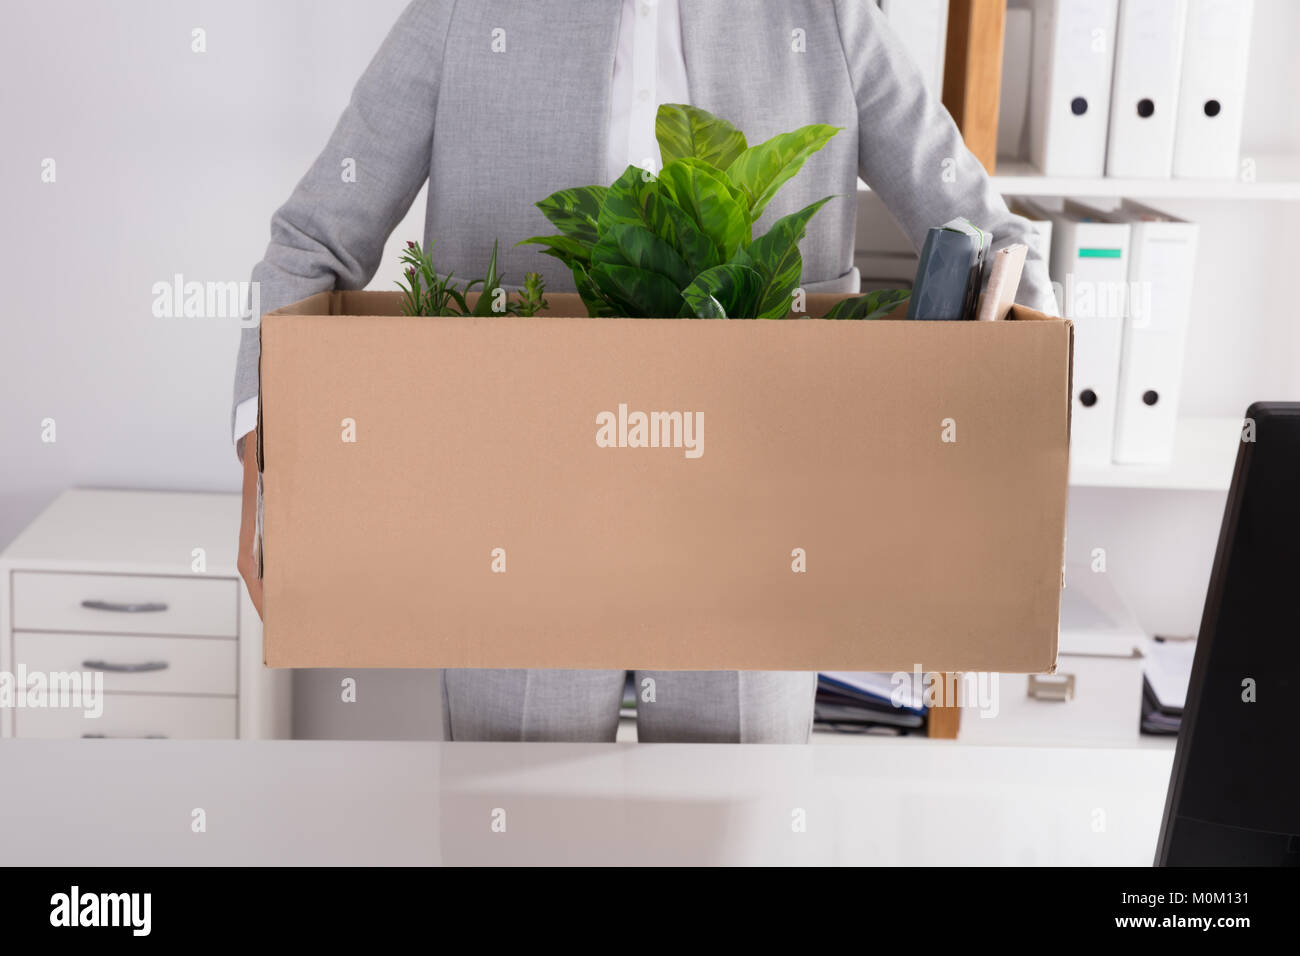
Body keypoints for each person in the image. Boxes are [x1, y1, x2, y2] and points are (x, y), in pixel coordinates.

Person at [234, 0, 1057, 744]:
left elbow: (988, 234)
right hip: (518, 515)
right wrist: (261, 473)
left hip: (758, 519)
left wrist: (1021, 425)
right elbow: (310, 242)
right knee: (516, 831)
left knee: (732, 824)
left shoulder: (829, 15)